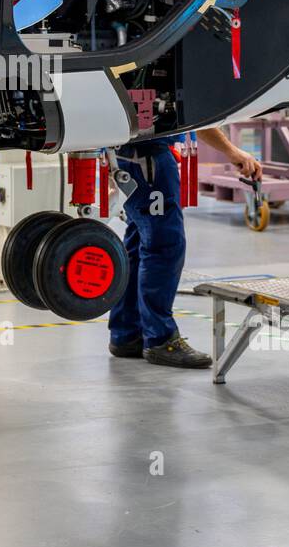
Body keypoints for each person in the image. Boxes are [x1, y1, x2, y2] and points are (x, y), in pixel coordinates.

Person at [108, 128, 262, 369]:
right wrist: (233, 152)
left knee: (139, 241)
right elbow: (200, 113)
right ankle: (160, 339)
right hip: (148, 161)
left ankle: (127, 333)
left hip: (130, 156)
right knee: (164, 244)